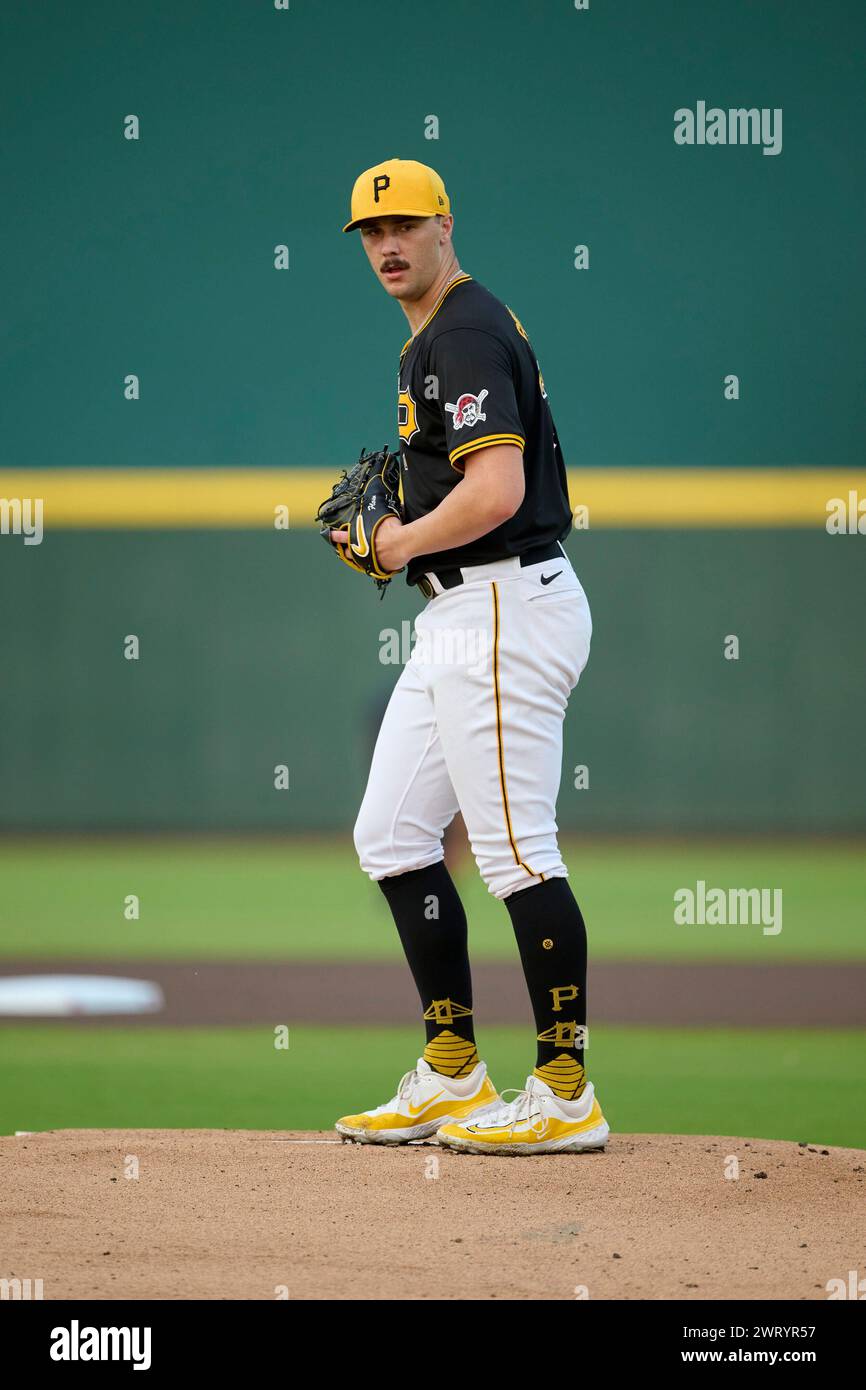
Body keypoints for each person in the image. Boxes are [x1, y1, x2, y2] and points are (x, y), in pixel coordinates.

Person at [331, 158, 609, 1155]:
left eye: (404, 221)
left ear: (446, 222)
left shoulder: (459, 330)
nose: (387, 242)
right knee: (393, 833)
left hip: (501, 605)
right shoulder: (438, 336)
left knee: (515, 852)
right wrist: (401, 525)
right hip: (462, 614)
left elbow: (493, 492)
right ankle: (452, 1071)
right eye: (369, 231)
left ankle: (564, 1089)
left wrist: (393, 540)